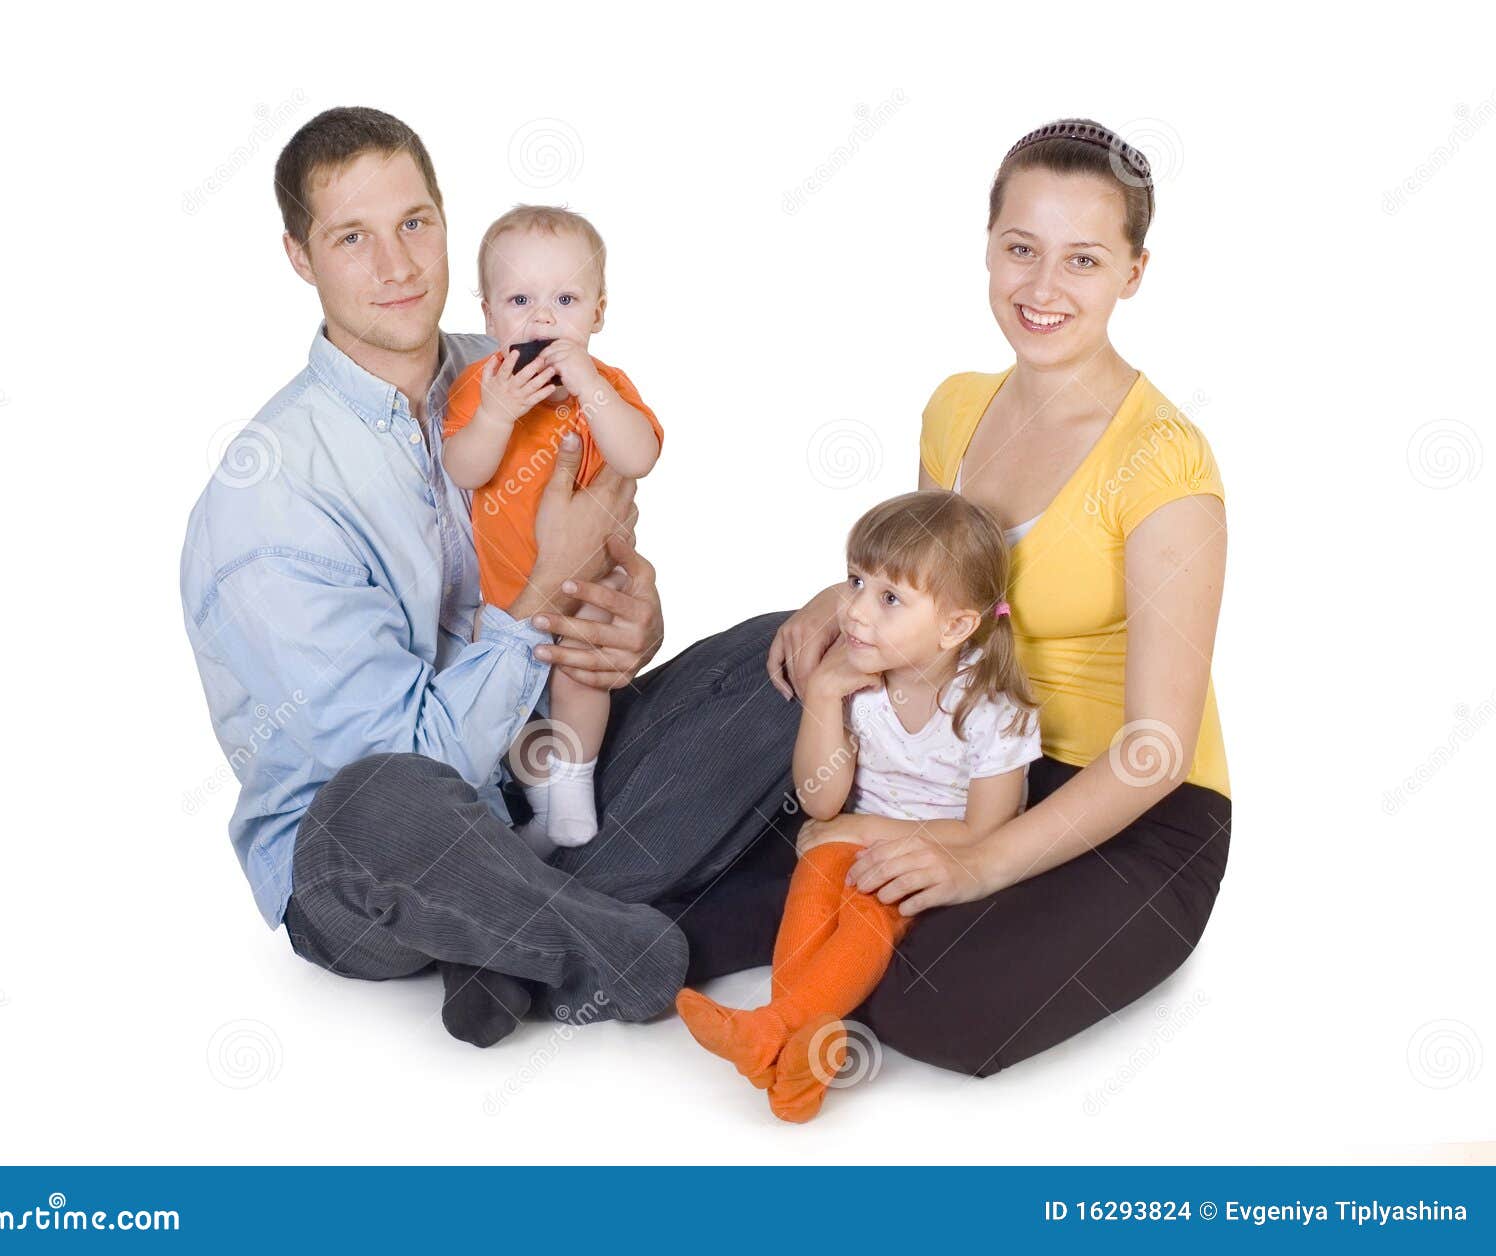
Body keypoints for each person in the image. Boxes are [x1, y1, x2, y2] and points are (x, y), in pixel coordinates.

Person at [179, 107, 798, 1049]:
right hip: (374, 859)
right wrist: (548, 585)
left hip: (550, 774)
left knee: (789, 651)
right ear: (301, 259)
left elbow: (608, 545)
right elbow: (411, 762)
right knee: (374, 807)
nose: (397, 266)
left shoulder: (517, 368)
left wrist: (629, 618)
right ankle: (631, 946)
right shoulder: (269, 498)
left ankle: (508, 943)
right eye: (353, 237)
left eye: (415, 223)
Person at [678, 117, 1234, 1080]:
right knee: (745, 802)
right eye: (1020, 249)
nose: (1042, 289)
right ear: (988, 245)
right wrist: (829, 599)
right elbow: (932, 583)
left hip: (1131, 804)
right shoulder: (957, 407)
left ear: (1133, 273)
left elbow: (1157, 752)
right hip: (959, 755)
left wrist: (980, 863)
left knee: (934, 1008)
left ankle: (806, 933)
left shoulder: (1164, 470)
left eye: (1083, 260)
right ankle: (617, 914)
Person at [677, 492, 1041, 1120]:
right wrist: (823, 693)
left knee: (867, 913)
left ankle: (774, 1026)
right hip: (847, 834)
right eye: (855, 582)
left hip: (935, 850)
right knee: (813, 891)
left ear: (956, 626)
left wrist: (867, 828)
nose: (854, 611)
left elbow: (988, 829)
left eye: (889, 598)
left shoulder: (989, 709)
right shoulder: (858, 681)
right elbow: (821, 800)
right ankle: (801, 1067)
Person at [443, 205, 663, 851]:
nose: (543, 318)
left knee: (580, 677)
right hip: (503, 599)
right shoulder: (482, 386)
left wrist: (590, 385)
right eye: (520, 300)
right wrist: (496, 415)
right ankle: (535, 800)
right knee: (507, 704)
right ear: (489, 317)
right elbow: (463, 467)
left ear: (596, 314)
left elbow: (639, 456)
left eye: (565, 300)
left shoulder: (609, 387)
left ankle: (573, 790)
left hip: (592, 591)